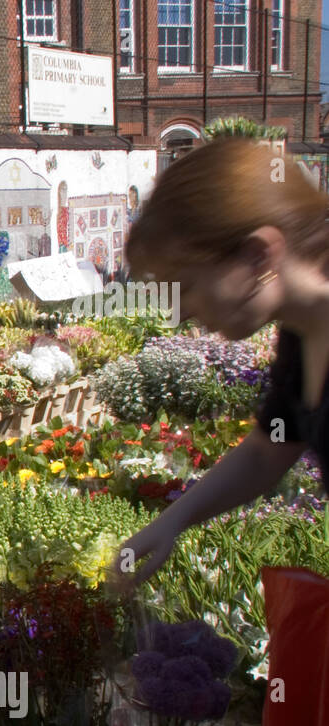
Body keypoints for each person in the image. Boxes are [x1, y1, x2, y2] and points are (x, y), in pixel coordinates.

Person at [109, 136, 329, 589]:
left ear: (257, 256)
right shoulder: (301, 331)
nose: (181, 312)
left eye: (186, 286)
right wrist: (170, 522)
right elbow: (270, 451)